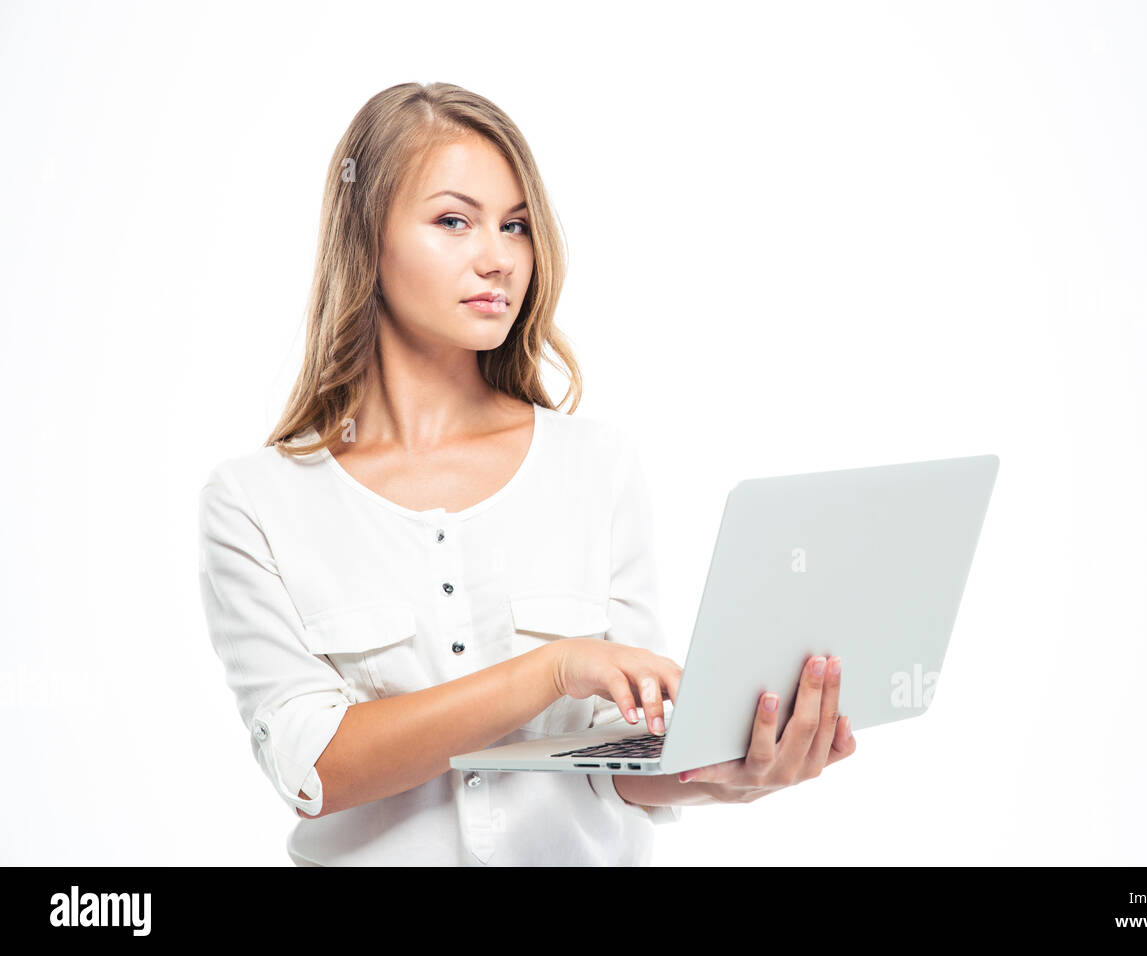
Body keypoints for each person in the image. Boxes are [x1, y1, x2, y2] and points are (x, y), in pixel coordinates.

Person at [196, 81, 857, 866]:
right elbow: (317, 770)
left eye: (516, 226)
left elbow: (619, 762)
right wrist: (551, 670)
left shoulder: (595, 465)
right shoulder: (257, 502)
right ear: (365, 237)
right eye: (454, 220)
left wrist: (725, 776)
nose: (499, 257)